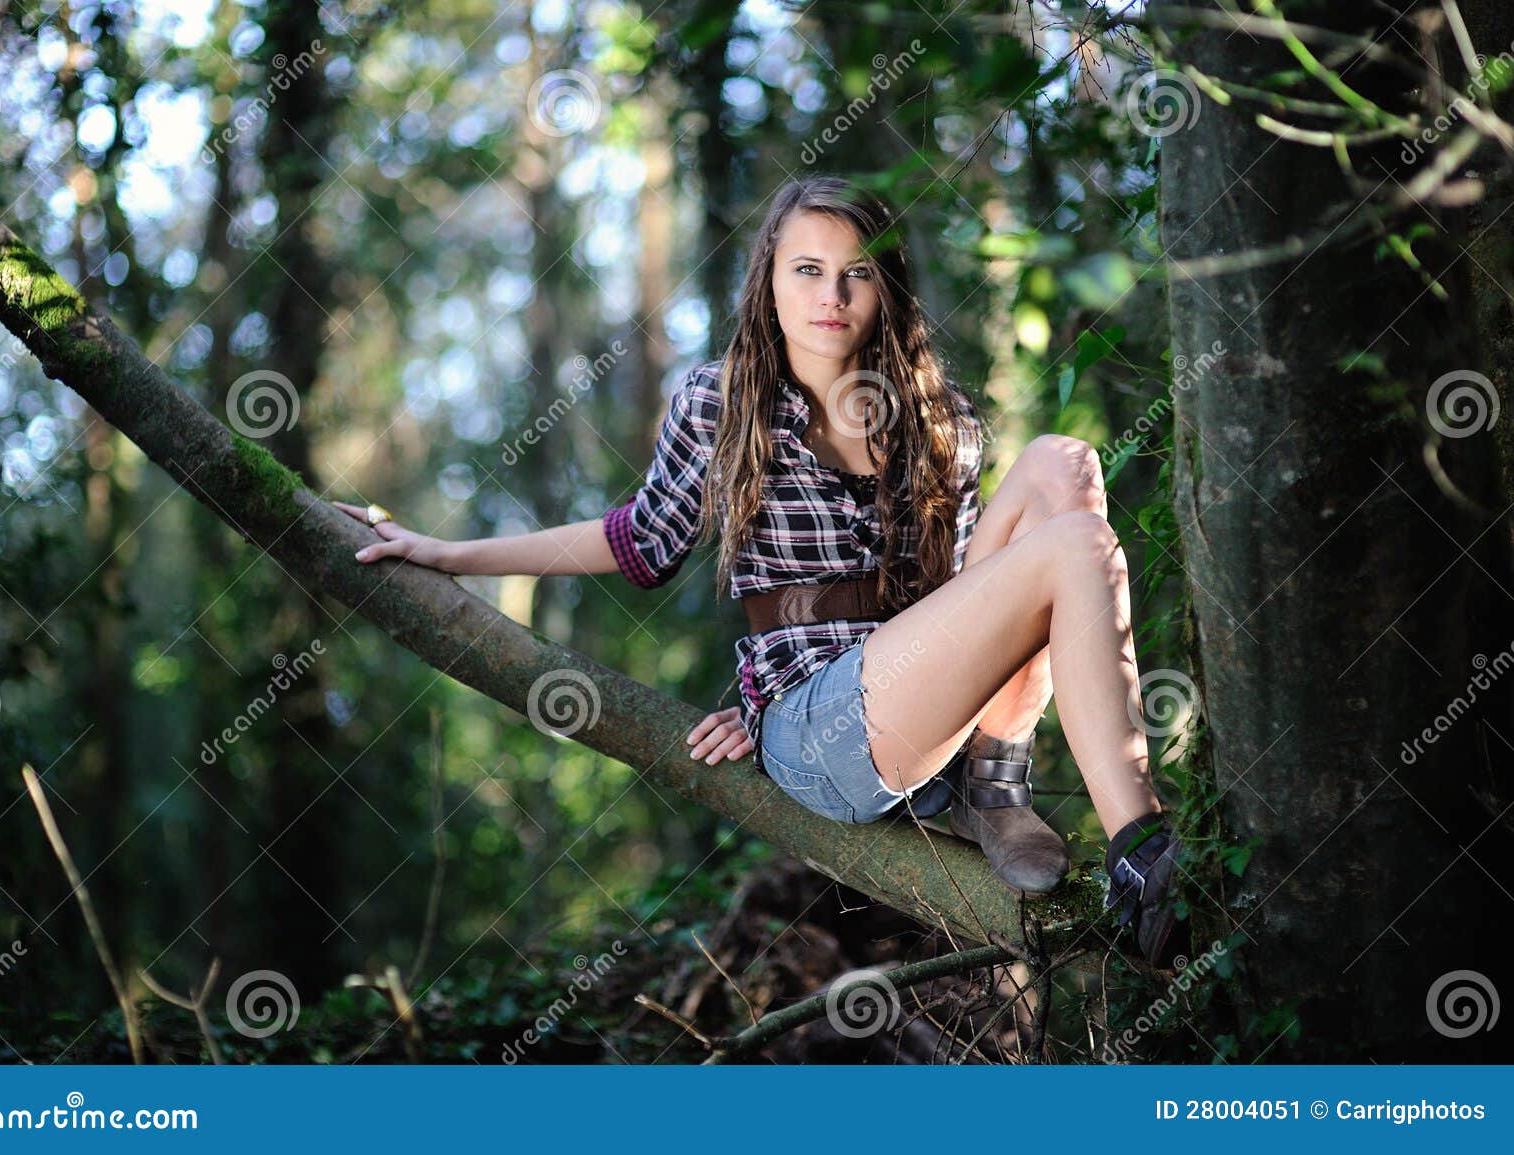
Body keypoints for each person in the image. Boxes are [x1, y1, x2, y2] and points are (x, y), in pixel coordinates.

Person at [334, 175, 1181, 967]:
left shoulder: (940, 418)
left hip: (927, 711)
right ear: (768, 281)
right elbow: (637, 541)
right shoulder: (721, 399)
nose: (831, 297)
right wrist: (450, 554)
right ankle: (1143, 850)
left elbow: (967, 602)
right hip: (819, 727)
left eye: (857, 274)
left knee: (1064, 466)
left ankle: (994, 784)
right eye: (807, 269)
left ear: (887, 289)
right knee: (1075, 549)